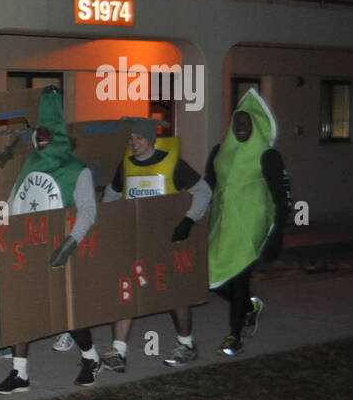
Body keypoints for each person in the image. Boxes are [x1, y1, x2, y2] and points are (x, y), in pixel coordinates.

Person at [0, 89, 103, 393]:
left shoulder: (76, 169)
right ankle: (20, 373)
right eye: (38, 135)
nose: (42, 140)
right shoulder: (29, 166)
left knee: (68, 312)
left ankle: (91, 357)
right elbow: (14, 203)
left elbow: (89, 210)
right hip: (28, 248)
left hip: (63, 248)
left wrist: (69, 243)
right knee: (21, 310)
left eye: (47, 135)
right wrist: (5, 235)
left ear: (59, 136)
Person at [98, 118, 212, 370]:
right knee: (125, 290)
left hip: (166, 241)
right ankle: (118, 351)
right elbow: (111, 195)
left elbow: (203, 191)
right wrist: (109, 219)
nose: (134, 142)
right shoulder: (126, 165)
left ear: (150, 138)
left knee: (174, 294)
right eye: (131, 138)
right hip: (135, 239)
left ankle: (187, 344)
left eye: (139, 137)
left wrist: (188, 221)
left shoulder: (173, 163)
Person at [205, 89, 290, 356]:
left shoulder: (268, 155)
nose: (241, 128)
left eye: (246, 123)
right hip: (224, 223)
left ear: (256, 124)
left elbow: (281, 197)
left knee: (240, 277)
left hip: (252, 224)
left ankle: (235, 336)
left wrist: (277, 233)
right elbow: (208, 187)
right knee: (210, 277)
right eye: (237, 123)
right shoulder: (220, 151)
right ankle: (249, 307)